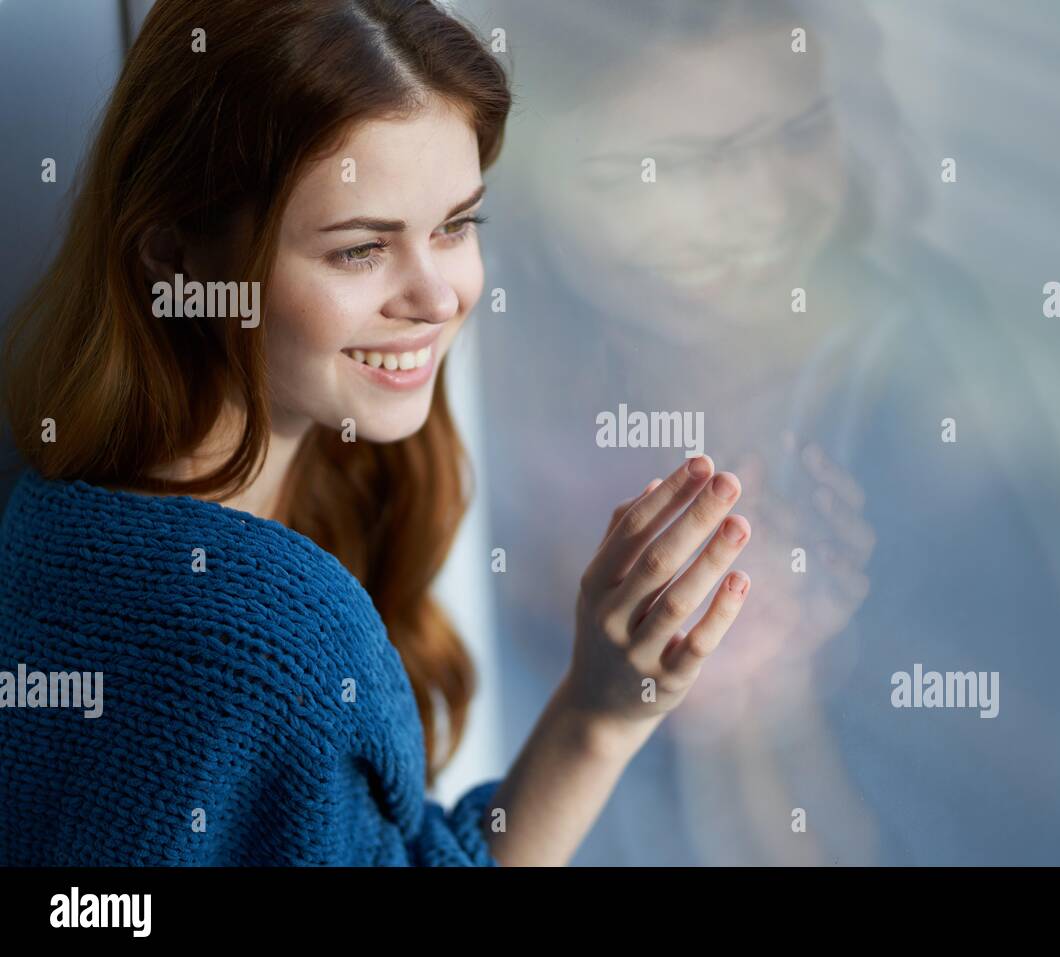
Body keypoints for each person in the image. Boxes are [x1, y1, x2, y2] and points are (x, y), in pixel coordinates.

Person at [0, 0, 755, 867]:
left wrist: (602, 707)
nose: (437, 298)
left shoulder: (52, 523)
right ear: (175, 255)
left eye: (456, 225)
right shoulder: (275, 637)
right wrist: (598, 717)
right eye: (361, 249)